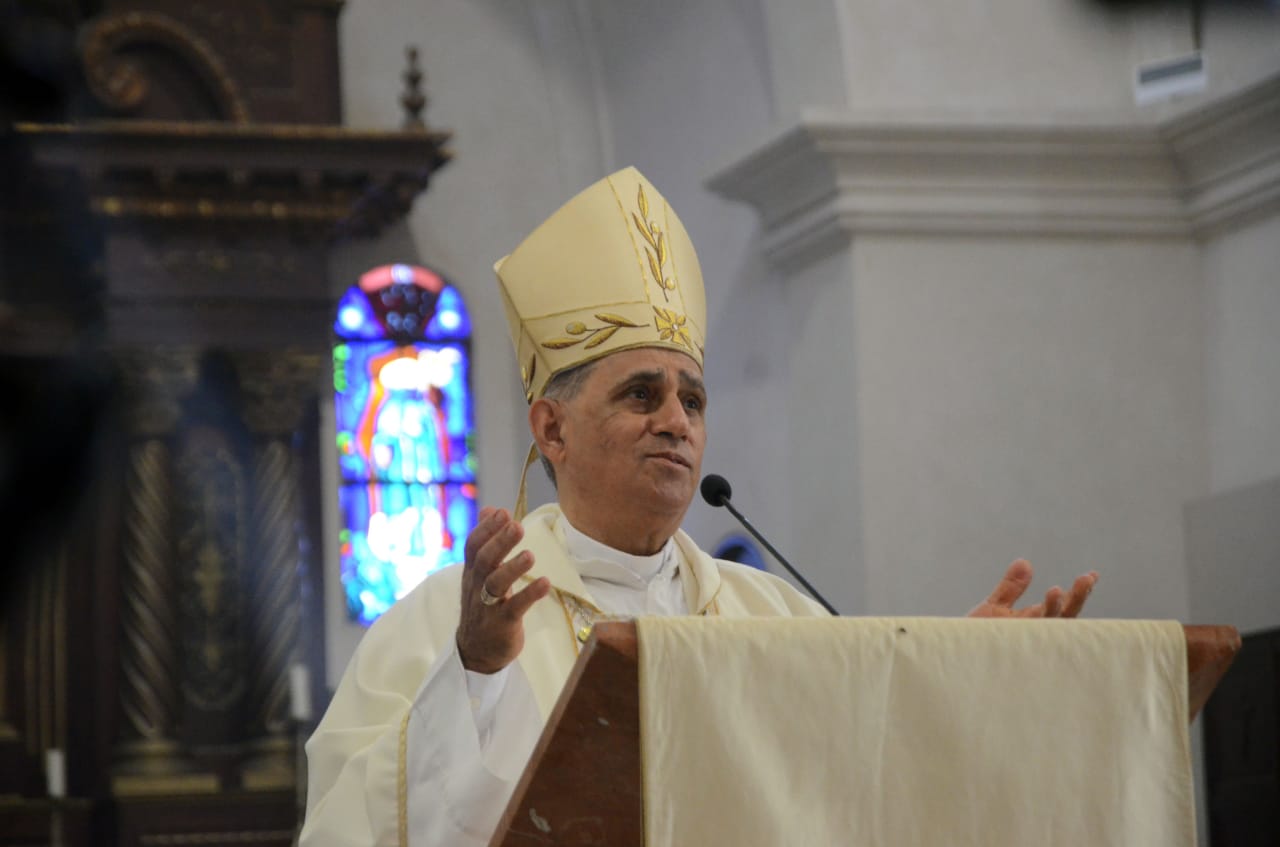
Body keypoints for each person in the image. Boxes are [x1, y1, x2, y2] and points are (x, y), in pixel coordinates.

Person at [299, 167, 1098, 847]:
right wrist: (474, 673)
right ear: (552, 428)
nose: (677, 420)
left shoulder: (772, 615)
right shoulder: (443, 623)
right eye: (642, 393)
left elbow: (869, 772)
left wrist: (966, 672)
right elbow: (355, 824)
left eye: (694, 398)